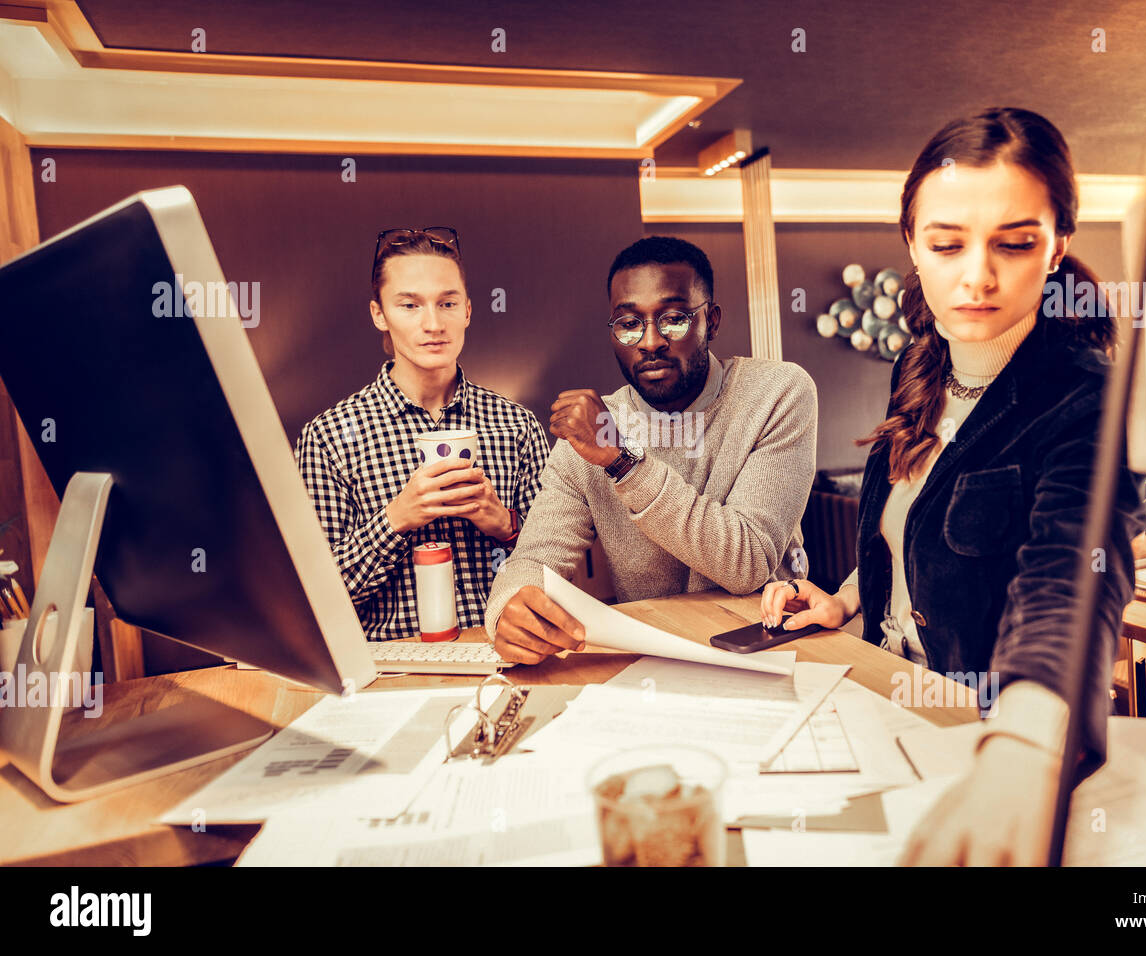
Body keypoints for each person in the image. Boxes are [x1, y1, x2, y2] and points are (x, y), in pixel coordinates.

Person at [762, 108, 1146, 865]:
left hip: (993, 732)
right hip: (885, 702)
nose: (977, 276)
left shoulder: (1089, 399)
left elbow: (1069, 582)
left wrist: (1024, 754)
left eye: (1015, 243)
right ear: (911, 243)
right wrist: (840, 600)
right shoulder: (922, 365)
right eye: (946, 244)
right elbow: (914, 530)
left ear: (1058, 243)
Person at [484, 236, 817, 661]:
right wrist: (507, 608)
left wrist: (624, 461)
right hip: (656, 658)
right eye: (629, 323)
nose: (651, 340)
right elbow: (535, 557)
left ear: (711, 321)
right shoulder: (592, 432)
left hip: (769, 649)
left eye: (674, 319)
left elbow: (747, 562)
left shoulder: (777, 392)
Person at [296, 227, 549, 638]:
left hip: (505, 655)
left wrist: (504, 523)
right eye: (410, 305)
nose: (433, 323)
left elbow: (558, 572)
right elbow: (316, 599)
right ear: (380, 314)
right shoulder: (327, 438)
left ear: (467, 310)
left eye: (447, 303)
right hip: (393, 669)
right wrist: (396, 519)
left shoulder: (516, 425)